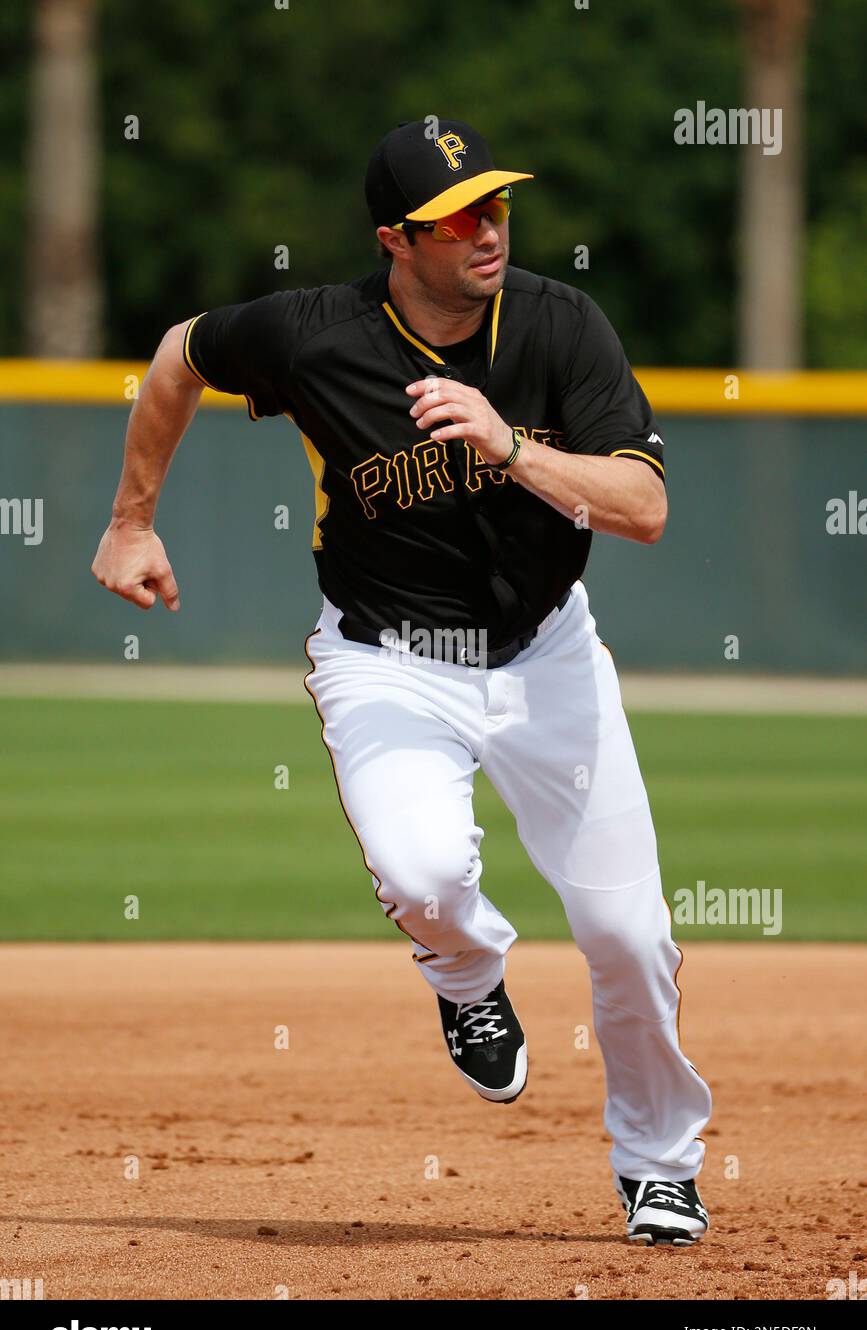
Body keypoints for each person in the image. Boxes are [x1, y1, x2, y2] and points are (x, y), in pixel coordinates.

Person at [92, 118, 712, 1246]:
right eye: (457, 215)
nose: (489, 228)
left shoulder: (562, 324)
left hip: (547, 655)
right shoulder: (313, 334)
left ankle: (660, 1163)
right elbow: (179, 353)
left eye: (497, 204)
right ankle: (467, 974)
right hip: (388, 660)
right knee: (424, 873)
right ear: (395, 240)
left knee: (625, 934)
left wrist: (509, 447)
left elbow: (647, 507)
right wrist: (132, 520)